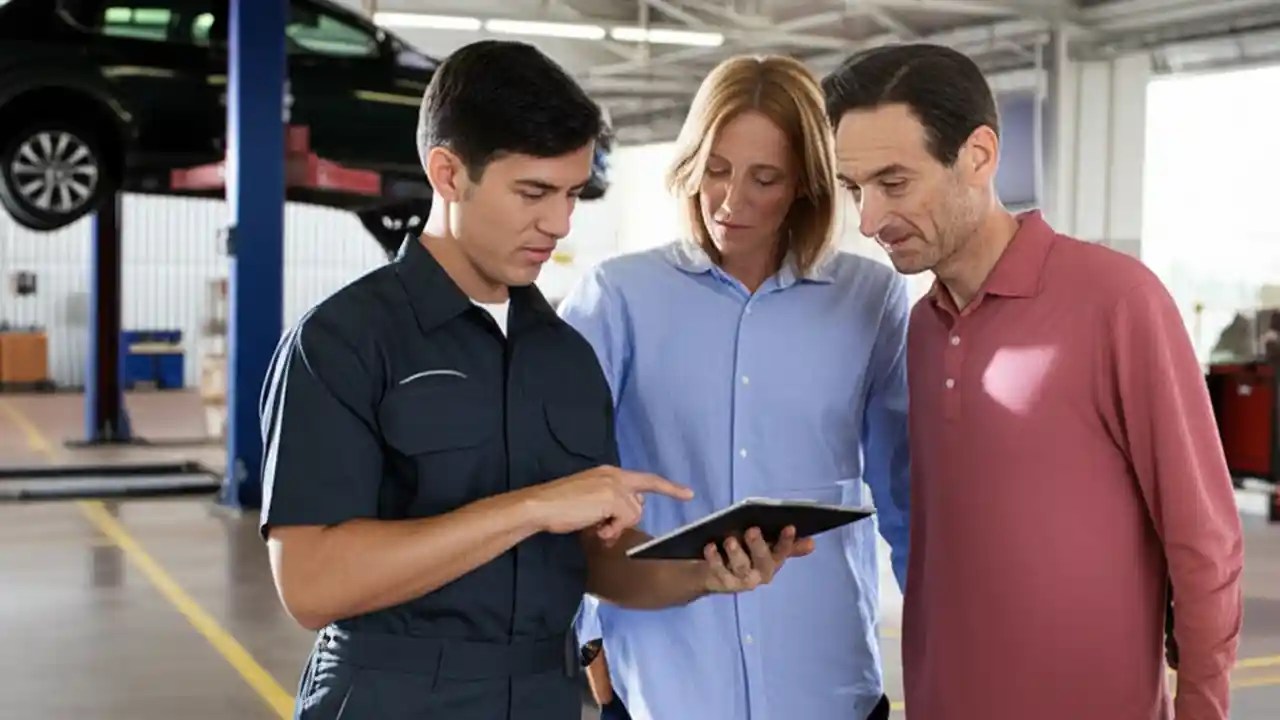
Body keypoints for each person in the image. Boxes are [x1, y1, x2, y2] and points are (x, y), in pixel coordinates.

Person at [257, 40, 810, 720]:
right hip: (390, 695)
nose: (559, 222)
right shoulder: (342, 343)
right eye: (534, 192)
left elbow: (594, 562)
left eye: (572, 193)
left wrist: (702, 571)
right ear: (448, 173)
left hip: (544, 693)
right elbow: (312, 586)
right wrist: (531, 507)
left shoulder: (565, 357)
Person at [822, 43, 1245, 720]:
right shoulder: (922, 329)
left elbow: (1204, 540)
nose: (869, 221)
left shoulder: (1116, 301)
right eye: (855, 191)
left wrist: (1202, 707)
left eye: (894, 184)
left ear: (979, 156)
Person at [559, 54, 911, 720]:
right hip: (668, 691)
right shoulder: (618, 297)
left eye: (765, 178)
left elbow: (907, 499)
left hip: (827, 686)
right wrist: (589, 650)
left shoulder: (871, 299)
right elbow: (563, 485)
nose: (730, 200)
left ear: (807, 183)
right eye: (715, 170)